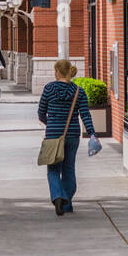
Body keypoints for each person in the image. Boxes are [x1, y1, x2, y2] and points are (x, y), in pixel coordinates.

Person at [37, 60, 95, 216]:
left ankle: (57, 196)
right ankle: (67, 204)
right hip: (72, 134)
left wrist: (50, 123)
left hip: (53, 134)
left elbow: (41, 112)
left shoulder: (49, 88)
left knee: (53, 169)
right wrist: (92, 133)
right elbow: (85, 114)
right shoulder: (78, 91)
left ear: (57, 71)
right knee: (69, 169)